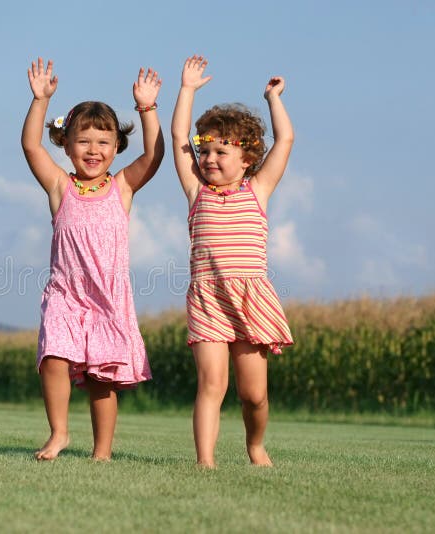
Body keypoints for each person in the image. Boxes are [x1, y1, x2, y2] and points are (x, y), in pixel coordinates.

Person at [21, 57, 163, 461]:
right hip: (65, 294)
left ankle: (102, 452)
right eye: (83, 141)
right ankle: (59, 434)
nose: (93, 150)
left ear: (117, 147)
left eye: (103, 142)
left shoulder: (122, 187)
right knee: (53, 357)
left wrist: (147, 108)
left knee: (102, 379)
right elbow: (31, 146)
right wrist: (40, 100)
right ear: (66, 145)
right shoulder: (59, 186)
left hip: (107, 300)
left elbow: (154, 156)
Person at [171, 55, 294, 468]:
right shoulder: (197, 192)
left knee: (253, 394)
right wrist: (187, 90)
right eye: (205, 151)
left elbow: (285, 141)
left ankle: (255, 445)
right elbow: (179, 136)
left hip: (250, 299)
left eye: (221, 151)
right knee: (211, 384)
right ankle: (205, 462)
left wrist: (273, 99)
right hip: (209, 301)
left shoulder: (258, 190)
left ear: (247, 158)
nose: (209, 159)